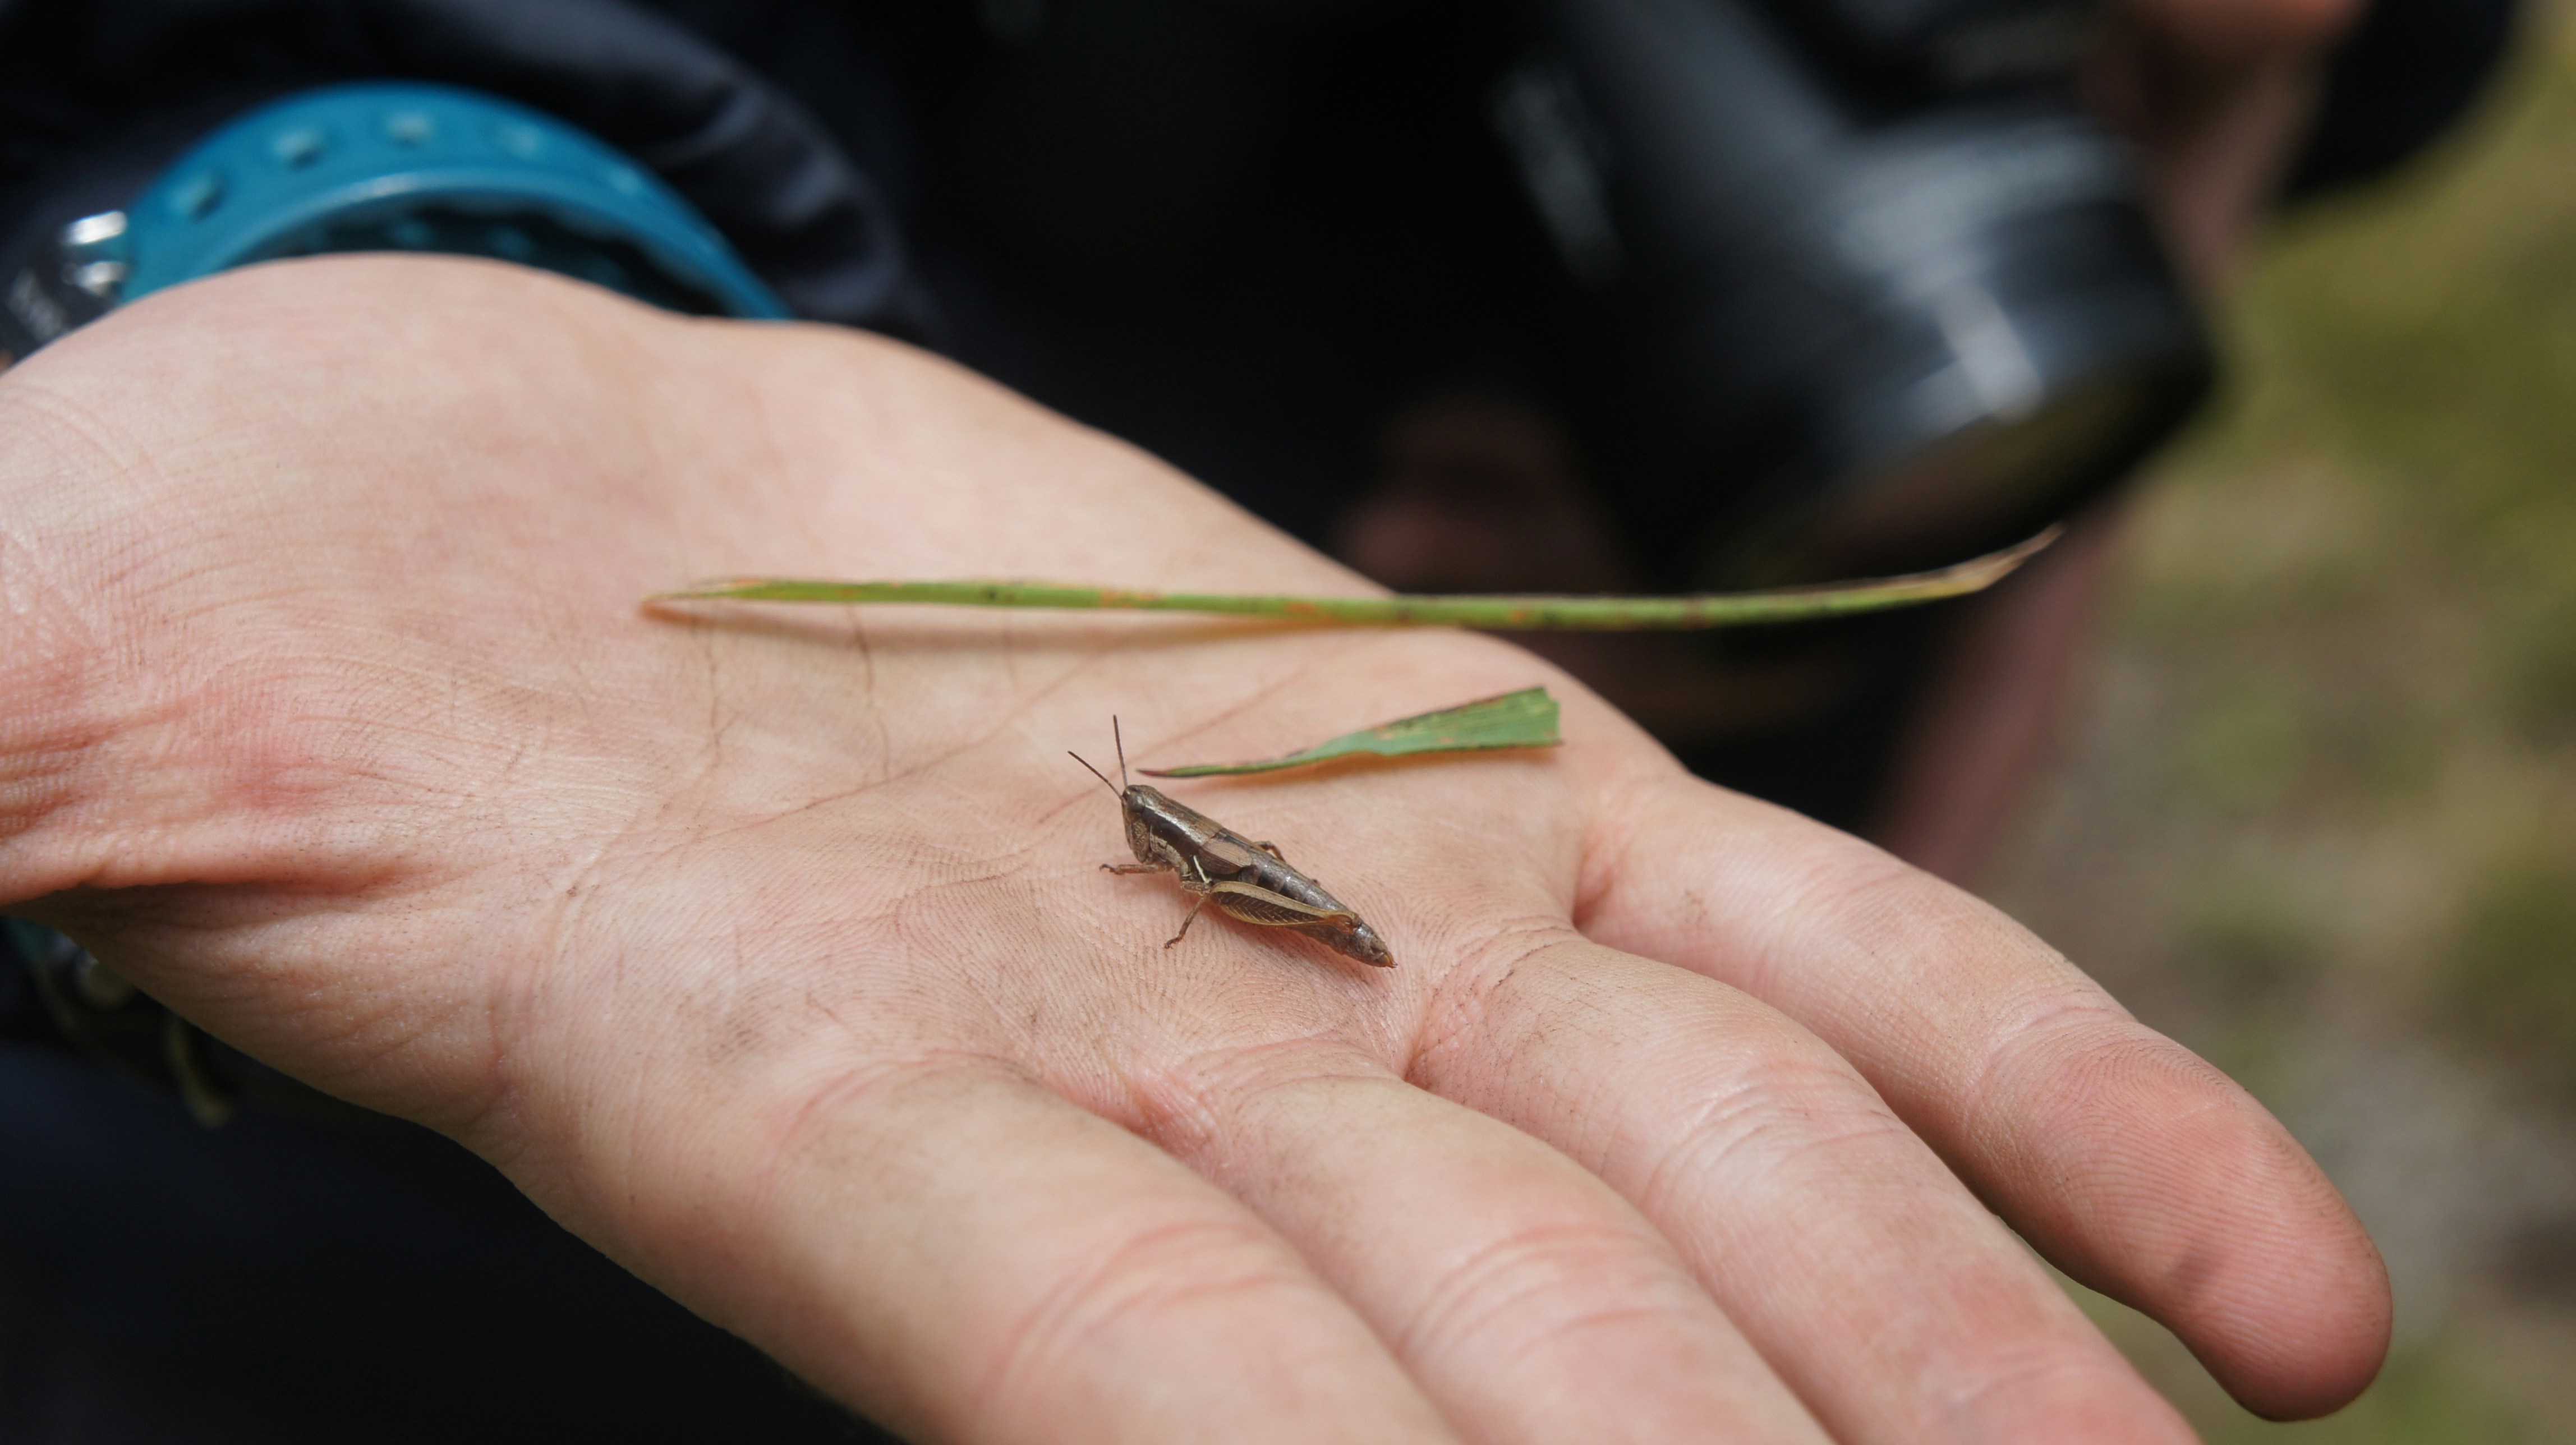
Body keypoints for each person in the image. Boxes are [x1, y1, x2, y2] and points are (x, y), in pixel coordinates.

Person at [0, 1, 2508, 1439]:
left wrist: (2231, 66)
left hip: (1615, 709)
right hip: (351, 1208)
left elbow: (2366, 64)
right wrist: (330, 203)